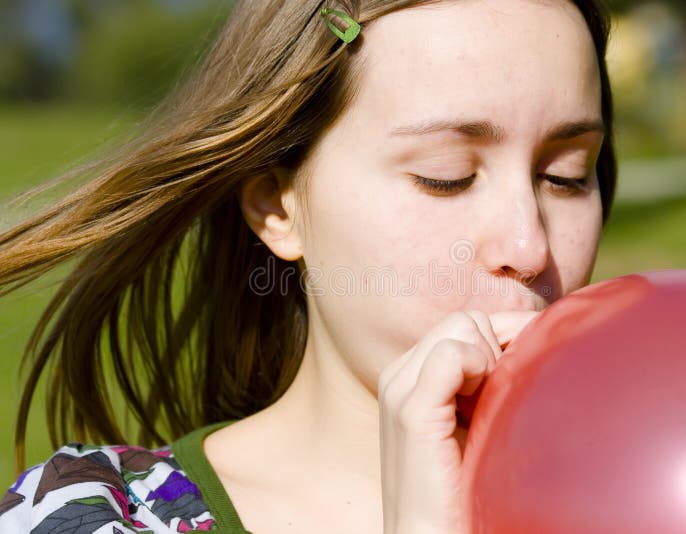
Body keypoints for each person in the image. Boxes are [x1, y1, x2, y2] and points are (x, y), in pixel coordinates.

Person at [0, 0, 616, 532]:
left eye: (566, 177)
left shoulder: (671, 479)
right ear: (277, 206)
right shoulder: (85, 515)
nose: (529, 246)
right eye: (446, 176)